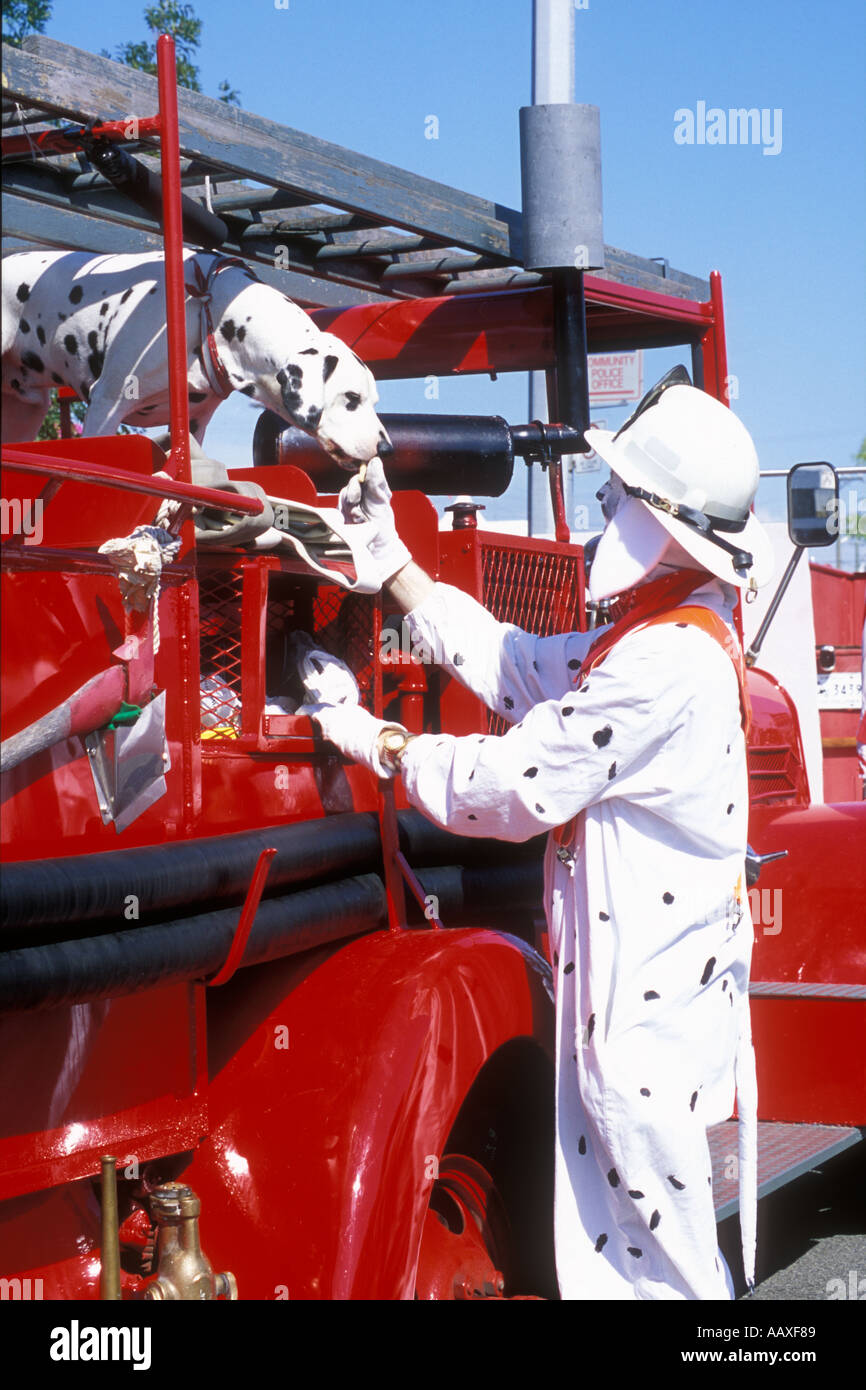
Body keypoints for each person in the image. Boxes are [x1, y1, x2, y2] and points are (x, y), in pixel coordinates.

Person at [298, 371, 774, 1300]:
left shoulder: (666, 662)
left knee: (661, 1268)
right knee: (638, 1246)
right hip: (643, 1004)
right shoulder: (658, 635)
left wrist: (376, 738)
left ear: (651, 518)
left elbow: (514, 784)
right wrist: (396, 566)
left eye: (614, 498)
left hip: (645, 1023)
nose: (600, 518)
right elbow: (519, 667)